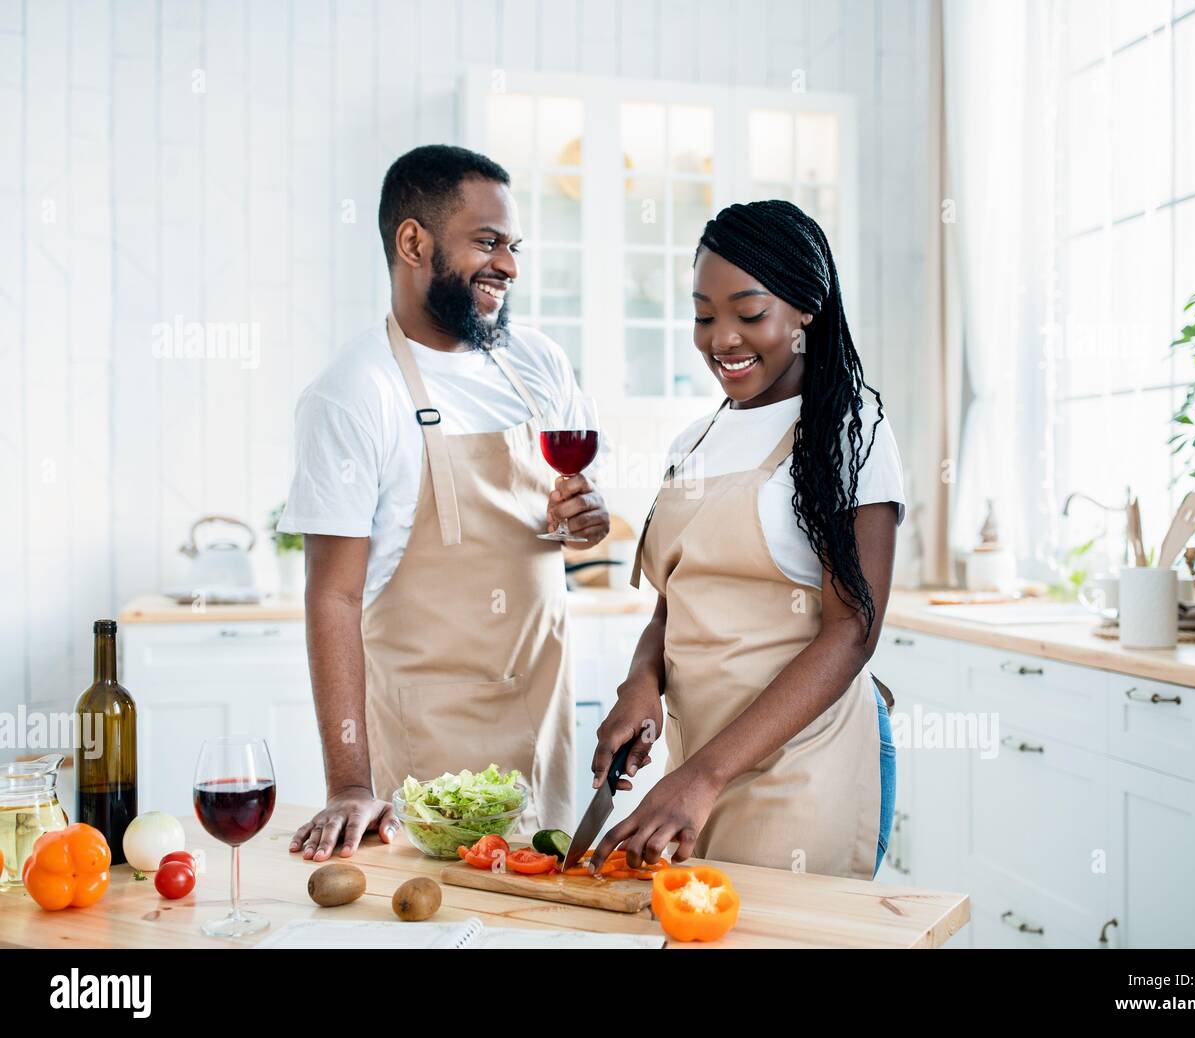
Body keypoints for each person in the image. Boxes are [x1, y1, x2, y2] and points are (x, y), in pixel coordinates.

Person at [278, 145, 609, 860]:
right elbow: (331, 598)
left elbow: (573, 513)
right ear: (412, 241)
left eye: (513, 245)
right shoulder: (353, 392)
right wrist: (347, 784)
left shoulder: (538, 363)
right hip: (430, 766)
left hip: (543, 733)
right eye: (487, 242)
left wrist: (588, 518)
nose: (510, 265)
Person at [589, 199, 904, 880]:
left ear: (805, 312)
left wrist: (702, 777)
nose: (722, 338)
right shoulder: (695, 440)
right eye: (704, 316)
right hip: (698, 769)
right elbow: (674, 605)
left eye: (749, 313)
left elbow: (853, 631)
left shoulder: (852, 434)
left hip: (801, 768)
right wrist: (640, 686)